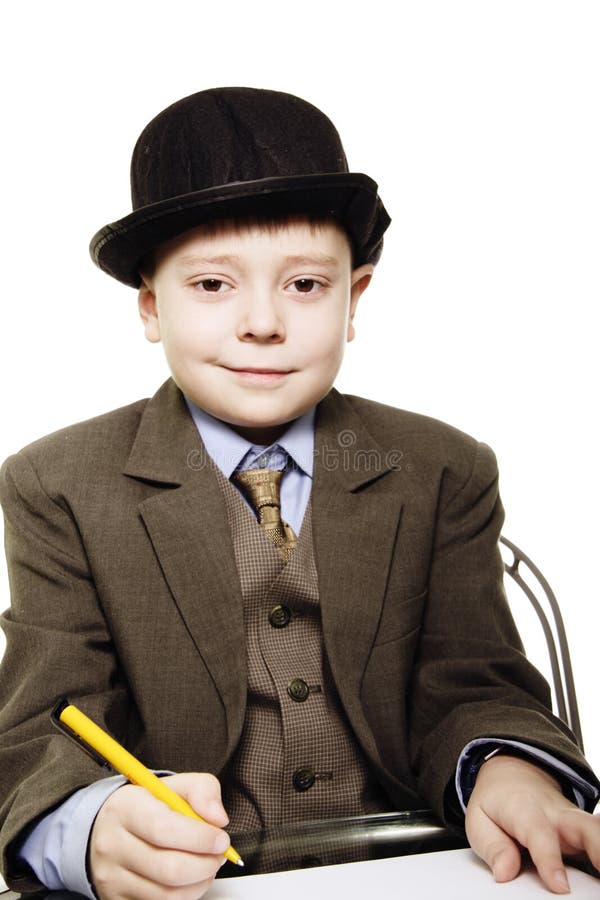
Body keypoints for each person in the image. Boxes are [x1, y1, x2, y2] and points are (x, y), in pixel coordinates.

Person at [0, 86, 598, 900]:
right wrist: (92, 823)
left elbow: (474, 681)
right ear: (150, 307)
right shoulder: (58, 484)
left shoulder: (443, 469)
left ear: (355, 299)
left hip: (413, 873)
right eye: (212, 285)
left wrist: (506, 769)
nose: (262, 322)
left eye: (306, 285)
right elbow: (47, 721)